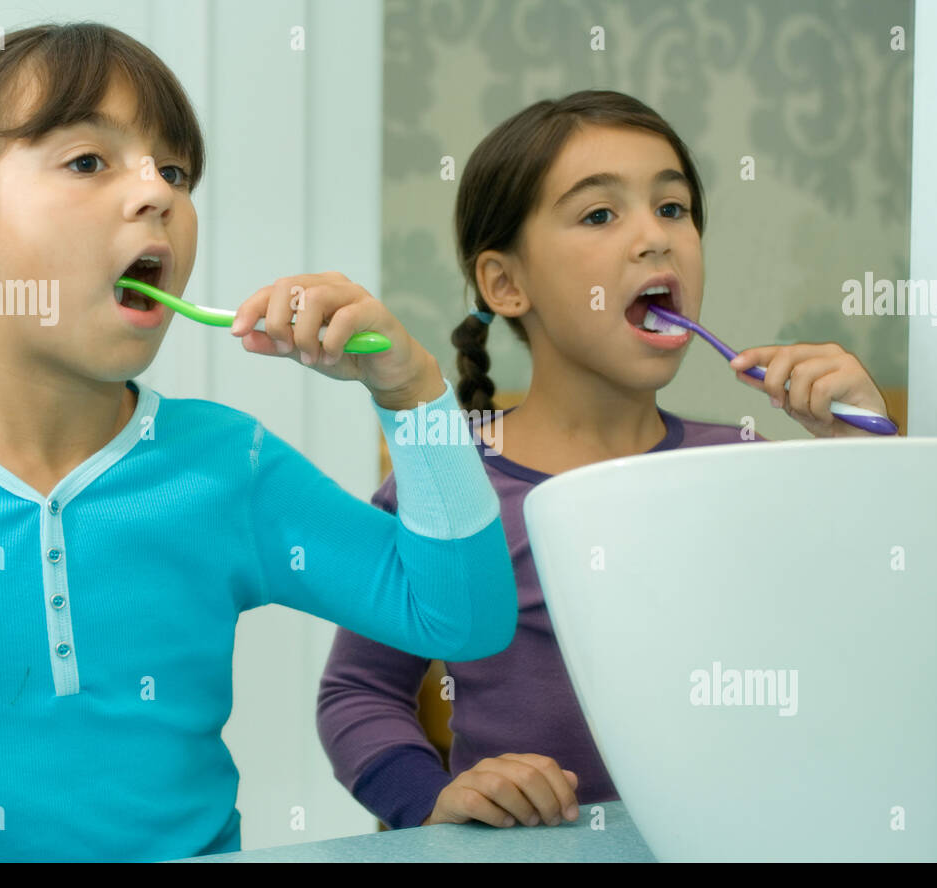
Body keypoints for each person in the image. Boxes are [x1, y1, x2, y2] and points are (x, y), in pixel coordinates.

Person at [0, 22, 516, 862]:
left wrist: (411, 391)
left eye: (174, 170)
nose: (158, 195)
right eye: (88, 161)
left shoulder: (228, 466)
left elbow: (461, 618)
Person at [317, 90, 894, 832]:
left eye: (674, 208)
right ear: (505, 284)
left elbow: (872, 657)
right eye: (599, 214)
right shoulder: (446, 491)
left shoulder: (753, 471)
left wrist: (868, 454)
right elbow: (357, 691)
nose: (655, 238)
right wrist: (432, 800)